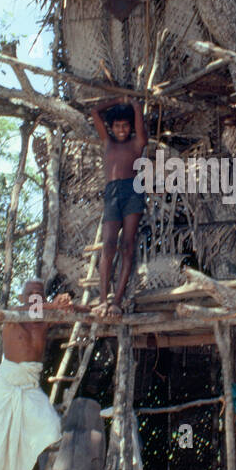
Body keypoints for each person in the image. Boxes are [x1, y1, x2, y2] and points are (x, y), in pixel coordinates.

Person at [0, 278, 73, 470]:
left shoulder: (43, 320)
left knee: (51, 426)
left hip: (30, 386)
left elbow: (71, 311)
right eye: (30, 293)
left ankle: (30, 462)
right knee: (1, 451)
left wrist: (70, 305)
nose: (35, 296)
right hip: (8, 386)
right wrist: (52, 303)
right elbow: (33, 310)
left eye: (40, 293)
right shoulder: (14, 315)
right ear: (23, 297)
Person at [89, 97, 148, 318]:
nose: (121, 129)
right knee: (109, 245)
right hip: (112, 193)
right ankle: (103, 300)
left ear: (131, 126)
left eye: (125, 125)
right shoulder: (108, 143)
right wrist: (118, 100)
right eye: (117, 126)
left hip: (133, 191)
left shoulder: (137, 143)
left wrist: (133, 105)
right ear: (111, 128)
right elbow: (95, 110)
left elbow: (138, 116)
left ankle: (117, 300)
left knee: (127, 246)